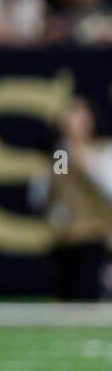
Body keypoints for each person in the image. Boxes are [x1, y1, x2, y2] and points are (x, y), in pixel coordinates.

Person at [33, 96, 112, 299]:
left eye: (78, 115)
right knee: (66, 296)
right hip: (65, 239)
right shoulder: (61, 153)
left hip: (97, 239)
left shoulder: (103, 150)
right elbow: (52, 192)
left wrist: (86, 161)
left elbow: (108, 188)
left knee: (91, 295)